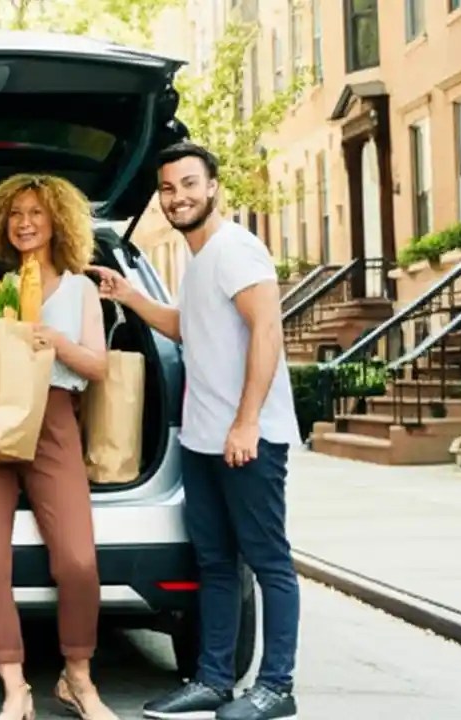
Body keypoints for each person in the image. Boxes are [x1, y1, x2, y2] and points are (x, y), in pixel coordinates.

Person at [88, 142, 301, 720]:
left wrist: (248, 421)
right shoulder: (200, 259)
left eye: (188, 184)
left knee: (267, 560)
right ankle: (212, 681)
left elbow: (267, 332)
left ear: (212, 188)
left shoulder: (237, 249)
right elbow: (187, 327)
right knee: (214, 562)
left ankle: (276, 688)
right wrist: (129, 296)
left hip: (246, 439)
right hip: (205, 439)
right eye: (168, 189)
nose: (177, 196)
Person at [0, 174, 117, 720]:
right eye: (16, 213)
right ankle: (14, 684)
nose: (25, 222)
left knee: (77, 560)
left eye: (36, 213)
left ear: (57, 223)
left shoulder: (79, 289)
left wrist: (59, 342)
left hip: (54, 418)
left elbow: (98, 366)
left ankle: (77, 677)